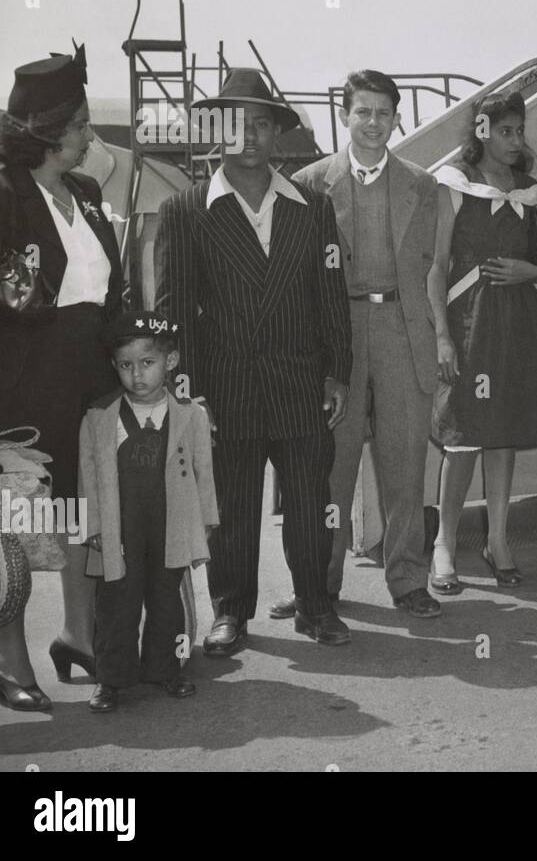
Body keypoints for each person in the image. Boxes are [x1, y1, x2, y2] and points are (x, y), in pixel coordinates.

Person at [155, 69, 352, 654]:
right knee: (233, 509)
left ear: (277, 135)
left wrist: (337, 371)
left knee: (311, 504)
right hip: (224, 387)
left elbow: (331, 297)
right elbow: (174, 311)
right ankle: (230, 612)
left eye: (261, 124)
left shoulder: (313, 208)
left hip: (299, 383)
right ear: (215, 132)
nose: (248, 136)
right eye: (235, 124)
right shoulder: (185, 209)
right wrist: (190, 391)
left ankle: (316, 606)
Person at [0, 45, 123, 710]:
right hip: (20, 386)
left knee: (82, 520)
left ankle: (79, 636)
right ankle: (8, 657)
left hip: (91, 383)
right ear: (42, 130)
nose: (87, 136)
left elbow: (110, 295)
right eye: (77, 125)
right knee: (16, 524)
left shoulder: (89, 194)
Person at [290, 70, 443, 619]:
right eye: (363, 112)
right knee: (332, 466)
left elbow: (431, 271)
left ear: (397, 118)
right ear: (345, 116)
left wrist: (440, 341)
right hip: (338, 336)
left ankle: (407, 579)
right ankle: (320, 583)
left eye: (384, 112)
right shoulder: (310, 183)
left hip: (402, 332)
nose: (374, 123)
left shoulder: (422, 185)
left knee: (406, 463)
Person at [428, 91, 537, 592]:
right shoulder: (454, 185)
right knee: (463, 439)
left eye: (519, 130)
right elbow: (436, 269)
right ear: (481, 131)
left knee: (502, 432)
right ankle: (444, 545)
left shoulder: (531, 192)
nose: (516, 140)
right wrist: (442, 336)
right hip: (470, 325)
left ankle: (498, 540)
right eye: (505, 131)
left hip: (519, 325)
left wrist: (532, 270)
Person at [79, 312, 219, 711]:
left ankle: (166, 670)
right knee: (116, 602)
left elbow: (203, 473)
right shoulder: (98, 418)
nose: (136, 375)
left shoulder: (190, 415)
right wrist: (91, 526)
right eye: (126, 365)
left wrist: (205, 520)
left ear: (170, 362)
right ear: (114, 367)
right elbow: (86, 477)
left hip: (169, 522)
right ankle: (110, 679)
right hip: (119, 527)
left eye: (147, 363)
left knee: (165, 598)